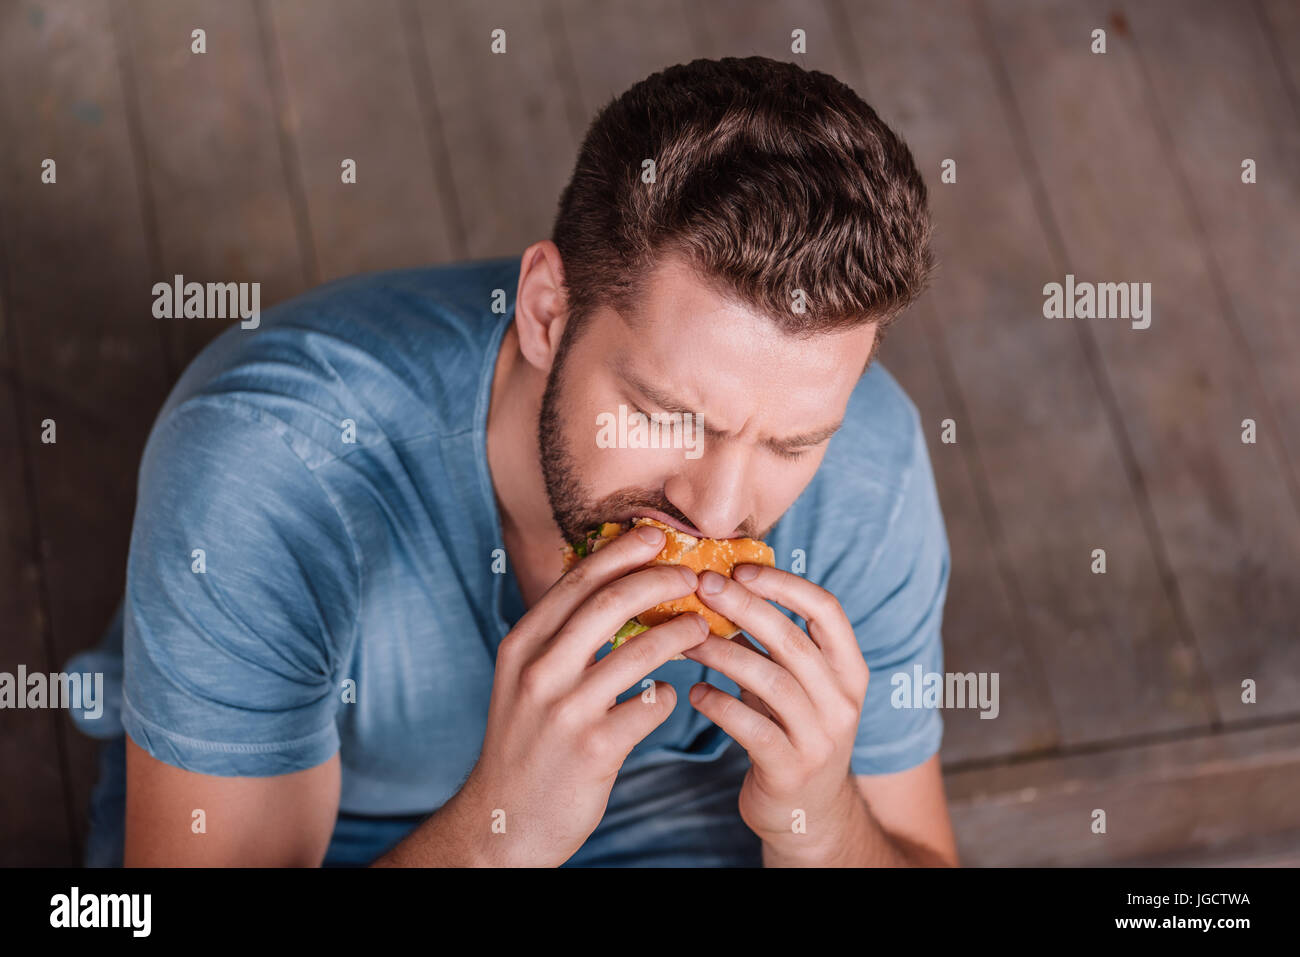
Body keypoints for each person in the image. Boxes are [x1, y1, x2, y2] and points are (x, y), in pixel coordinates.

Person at [67, 55, 957, 867]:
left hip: (687, 813)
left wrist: (822, 819)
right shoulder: (266, 461)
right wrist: (507, 830)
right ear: (546, 311)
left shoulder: (871, 457)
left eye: (792, 445)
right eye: (666, 416)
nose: (720, 512)